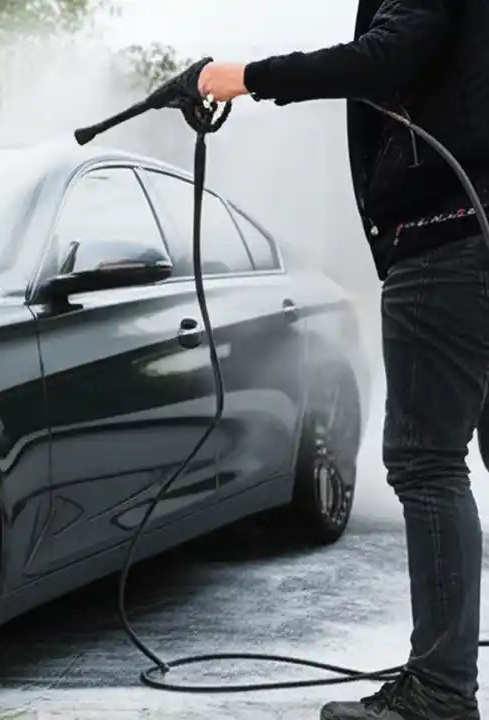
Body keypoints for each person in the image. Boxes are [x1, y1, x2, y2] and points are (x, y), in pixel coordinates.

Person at [198, 1, 489, 719]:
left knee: (427, 462)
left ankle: (439, 694)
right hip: (472, 232)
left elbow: (386, 56)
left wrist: (240, 75)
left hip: (447, 236)